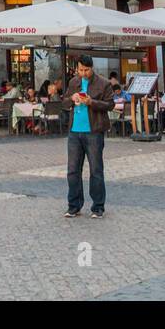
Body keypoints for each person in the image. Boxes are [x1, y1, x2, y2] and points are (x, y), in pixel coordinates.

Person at [63, 54, 115, 219]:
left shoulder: (103, 83)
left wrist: (92, 102)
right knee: (72, 171)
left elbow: (110, 104)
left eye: (86, 70)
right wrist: (72, 99)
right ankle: (74, 206)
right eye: (80, 70)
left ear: (92, 68)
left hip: (94, 132)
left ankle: (98, 207)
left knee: (96, 170)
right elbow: (64, 102)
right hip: (74, 131)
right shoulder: (74, 82)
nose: (83, 73)